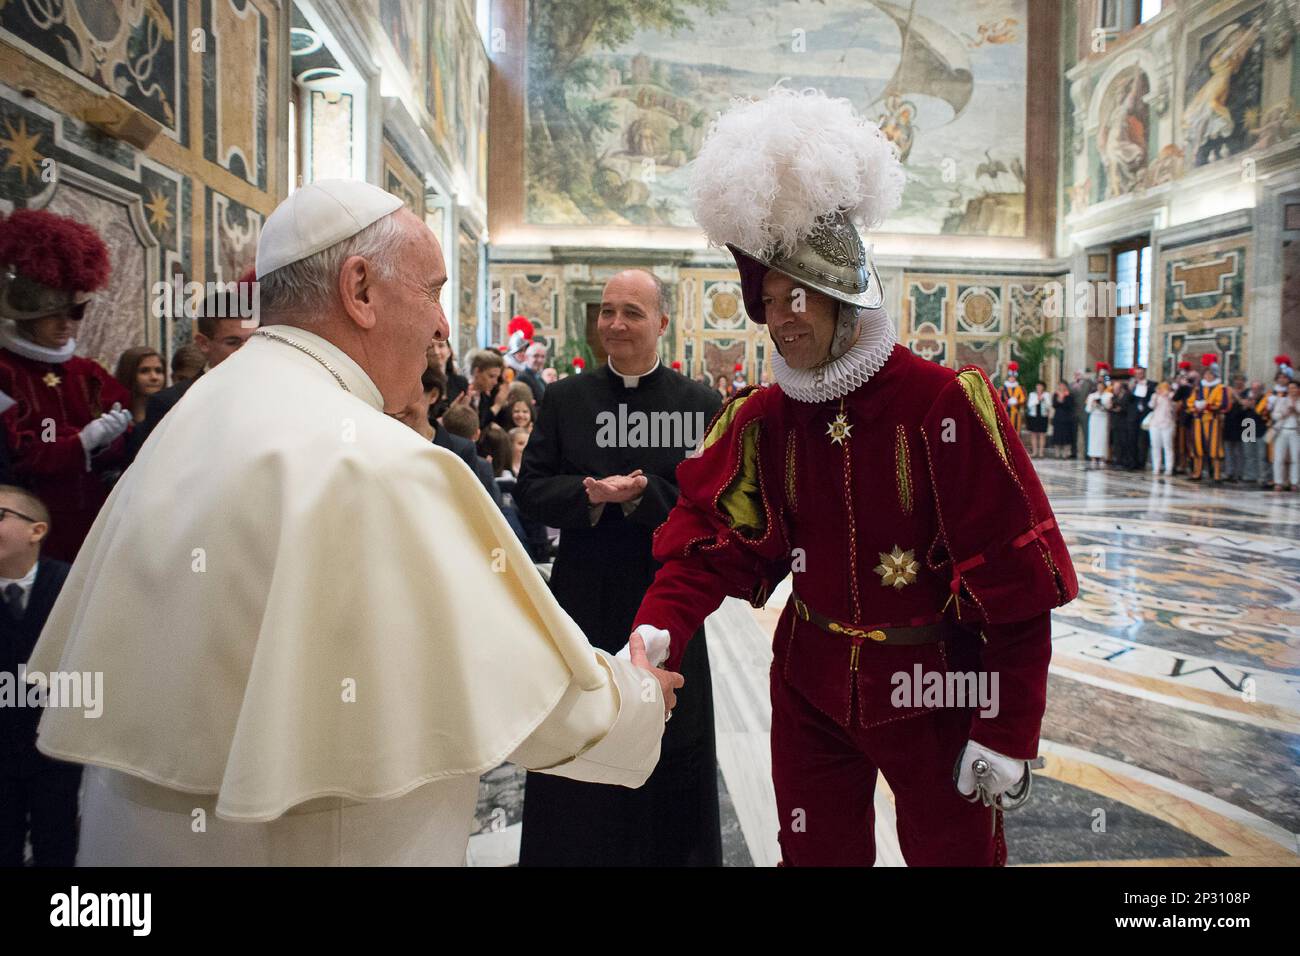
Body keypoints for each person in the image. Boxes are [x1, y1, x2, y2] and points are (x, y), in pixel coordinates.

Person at [27, 179, 678, 866]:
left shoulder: (193, 412)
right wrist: (638, 698)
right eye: (432, 291)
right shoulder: (380, 462)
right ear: (360, 289)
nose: (442, 327)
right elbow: (534, 699)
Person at [626, 88, 1076, 867]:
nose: (783, 319)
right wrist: (661, 622)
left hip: (938, 690)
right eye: (768, 302)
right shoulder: (764, 417)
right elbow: (711, 541)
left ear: (845, 294)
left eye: (798, 297)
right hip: (810, 684)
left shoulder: (944, 403)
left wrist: (1006, 732)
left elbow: (1016, 583)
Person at [516, 267, 724, 867]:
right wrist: (588, 492)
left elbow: (711, 512)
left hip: (668, 604)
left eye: (631, 312)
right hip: (583, 600)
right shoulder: (565, 399)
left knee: (671, 745)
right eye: (607, 311)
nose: (615, 324)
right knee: (579, 736)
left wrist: (639, 496)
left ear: (662, 322)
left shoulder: (700, 405)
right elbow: (530, 491)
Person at [0, 209, 132, 562]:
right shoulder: (6, 372)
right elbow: (16, 454)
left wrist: (110, 441)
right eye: (52, 316)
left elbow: (125, 433)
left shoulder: (86, 371)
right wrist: (80, 443)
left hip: (92, 518)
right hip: (29, 525)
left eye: (73, 315)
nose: (66, 326)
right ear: (26, 319)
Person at [0, 486, 77, 866]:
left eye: (1, 515)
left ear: (37, 530)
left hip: (54, 746)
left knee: (57, 840)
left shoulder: (69, 586)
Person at [128, 281, 259, 458]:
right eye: (233, 342)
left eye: (252, 340)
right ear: (203, 343)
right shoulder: (171, 403)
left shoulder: (276, 393)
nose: (246, 350)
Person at [1187, 352, 1228, 481]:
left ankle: (1216, 475)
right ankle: (1197, 473)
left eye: (1210, 374)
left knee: (1215, 449)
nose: (1207, 376)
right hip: (1198, 421)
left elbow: (1223, 404)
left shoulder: (1220, 388)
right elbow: (1190, 402)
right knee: (1198, 447)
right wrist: (1195, 406)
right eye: (1206, 374)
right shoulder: (1198, 388)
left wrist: (1207, 406)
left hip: (1213, 421)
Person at [114, 346, 165, 424]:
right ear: (128, 374)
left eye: (158, 371)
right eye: (144, 371)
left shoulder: (170, 414)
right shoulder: (115, 420)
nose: (154, 377)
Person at [1271, 380, 1300, 491]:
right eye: (1290, 388)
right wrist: (1284, 413)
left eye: (1294, 388)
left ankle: (1294, 482)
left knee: (1295, 458)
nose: (1292, 390)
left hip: (1296, 431)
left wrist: (1296, 412)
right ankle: (1278, 482)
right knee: (1278, 458)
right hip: (1282, 430)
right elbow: (1274, 415)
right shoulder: (1282, 401)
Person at [1085, 368, 1113, 468]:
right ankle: (1093, 456)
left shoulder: (1109, 395)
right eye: (1098, 386)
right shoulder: (1092, 396)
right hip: (1094, 418)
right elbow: (1087, 409)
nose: (1100, 388)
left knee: (1102, 438)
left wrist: (1102, 405)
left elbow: (1109, 407)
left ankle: (1102, 457)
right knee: (1093, 438)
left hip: (1103, 418)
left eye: (1102, 386)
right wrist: (1093, 405)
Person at [1148, 381, 1176, 477]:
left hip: (1167, 423)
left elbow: (1173, 407)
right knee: (1155, 446)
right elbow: (1151, 406)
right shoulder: (1155, 396)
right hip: (1155, 423)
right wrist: (1156, 396)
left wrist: (1167, 396)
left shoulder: (1171, 396)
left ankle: (1169, 468)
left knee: (1167, 446)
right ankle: (1156, 467)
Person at [1128, 366, 1153, 469]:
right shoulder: (1133, 385)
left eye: (1141, 373)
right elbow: (1129, 400)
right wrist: (1131, 389)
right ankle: (1132, 462)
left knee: (1143, 440)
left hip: (1145, 415)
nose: (1139, 375)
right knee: (1132, 439)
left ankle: (1142, 462)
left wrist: (1145, 387)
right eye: (1137, 373)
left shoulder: (1151, 384)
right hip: (1134, 415)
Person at [1049, 381, 1075, 459]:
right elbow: (1054, 405)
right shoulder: (1056, 394)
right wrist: (1059, 401)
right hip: (1058, 417)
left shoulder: (1069, 395)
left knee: (1066, 436)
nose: (1062, 387)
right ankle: (1057, 453)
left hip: (1067, 418)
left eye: (1063, 385)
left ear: (1066, 386)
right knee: (1057, 436)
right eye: (1060, 385)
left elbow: (1070, 405)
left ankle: (1065, 453)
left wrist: (1062, 401)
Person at [999, 362, 1026, 434]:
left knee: (1016, 431)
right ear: (1008, 377)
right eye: (1011, 377)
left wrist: (1017, 401)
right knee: (1006, 430)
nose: (1012, 378)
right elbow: (999, 399)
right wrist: (1007, 401)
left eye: (1013, 377)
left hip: (1016, 412)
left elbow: (1023, 398)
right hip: (1006, 412)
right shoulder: (1003, 388)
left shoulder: (1019, 388)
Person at [1025, 381, 1049, 456]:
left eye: (1040, 386)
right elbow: (1029, 405)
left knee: (1042, 434)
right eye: (1037, 386)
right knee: (1034, 434)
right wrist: (1038, 399)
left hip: (1043, 416)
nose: (1039, 387)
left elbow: (1049, 405)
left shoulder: (1046, 395)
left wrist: (1044, 399)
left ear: (1043, 387)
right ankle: (1034, 452)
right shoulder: (1032, 394)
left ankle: (1041, 452)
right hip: (1033, 416)